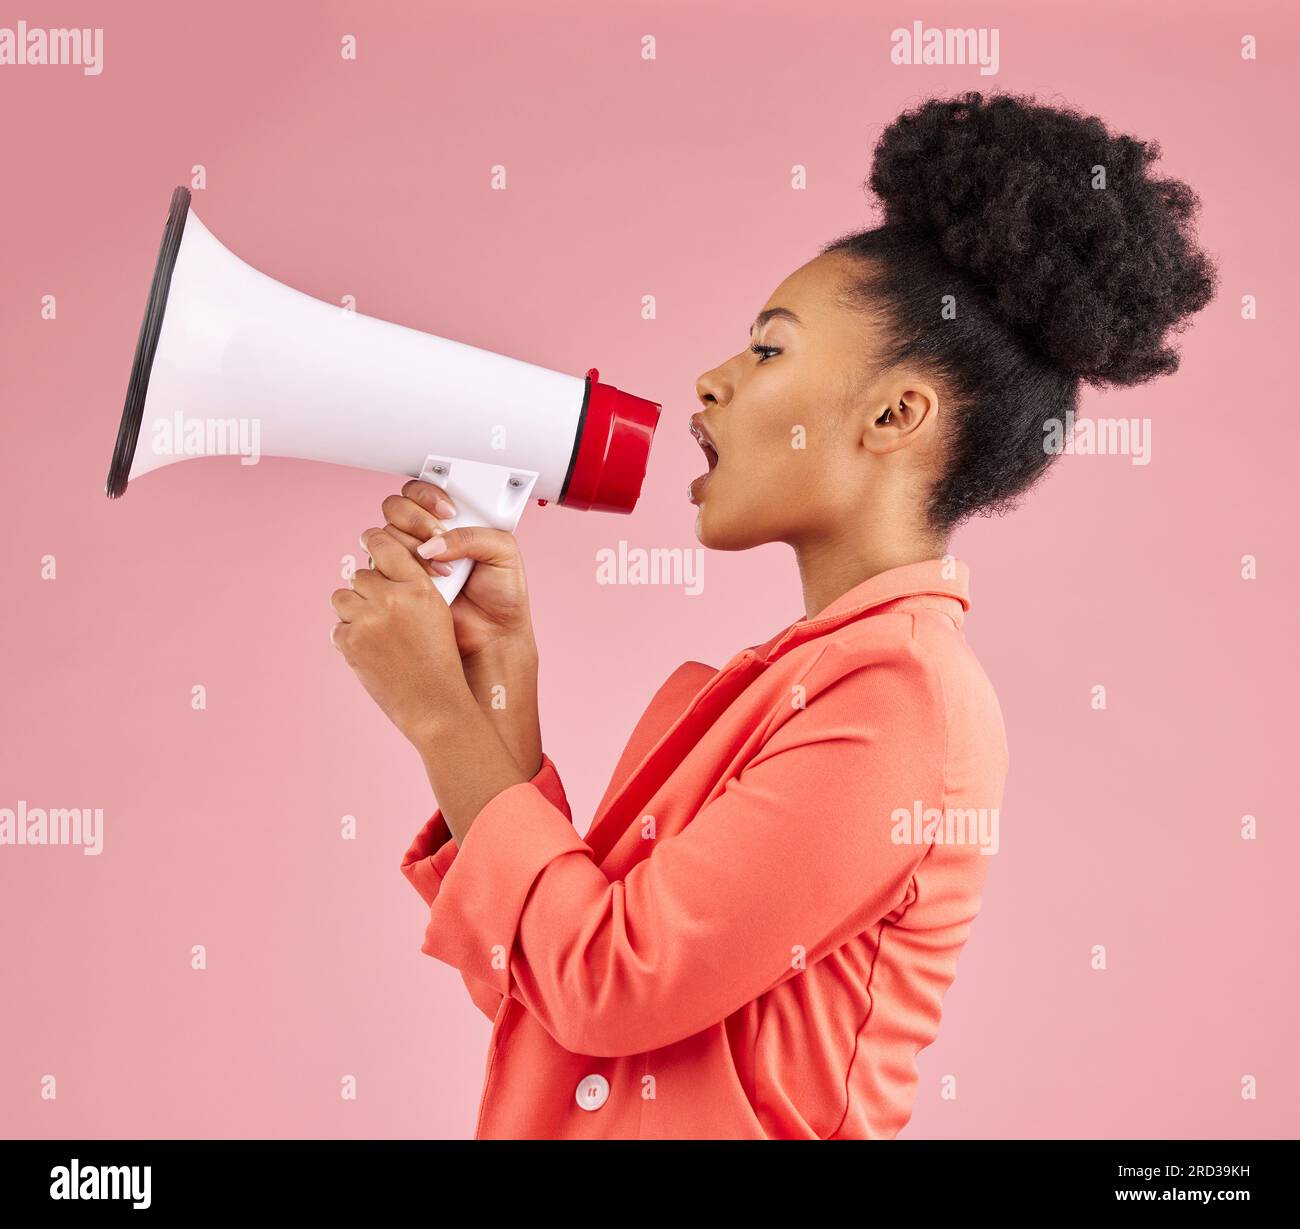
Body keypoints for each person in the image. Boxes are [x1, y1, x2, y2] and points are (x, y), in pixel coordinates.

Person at [328, 91, 1216, 1138]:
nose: (709, 381)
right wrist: (493, 688)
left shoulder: (901, 700)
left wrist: (439, 719)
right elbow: (562, 1000)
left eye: (767, 351)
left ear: (895, 415)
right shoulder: (805, 683)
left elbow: (607, 982)